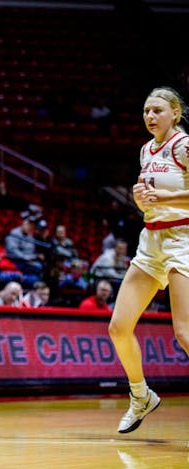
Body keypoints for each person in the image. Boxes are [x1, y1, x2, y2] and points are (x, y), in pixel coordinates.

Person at [108, 87, 189, 434]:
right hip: (151, 240)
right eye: (145, 111)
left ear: (175, 113)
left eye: (157, 110)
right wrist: (143, 201)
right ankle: (141, 396)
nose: (150, 117)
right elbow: (150, 201)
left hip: (182, 239)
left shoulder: (184, 146)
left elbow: (172, 197)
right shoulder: (146, 150)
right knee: (118, 327)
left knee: (184, 331)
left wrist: (167, 196)